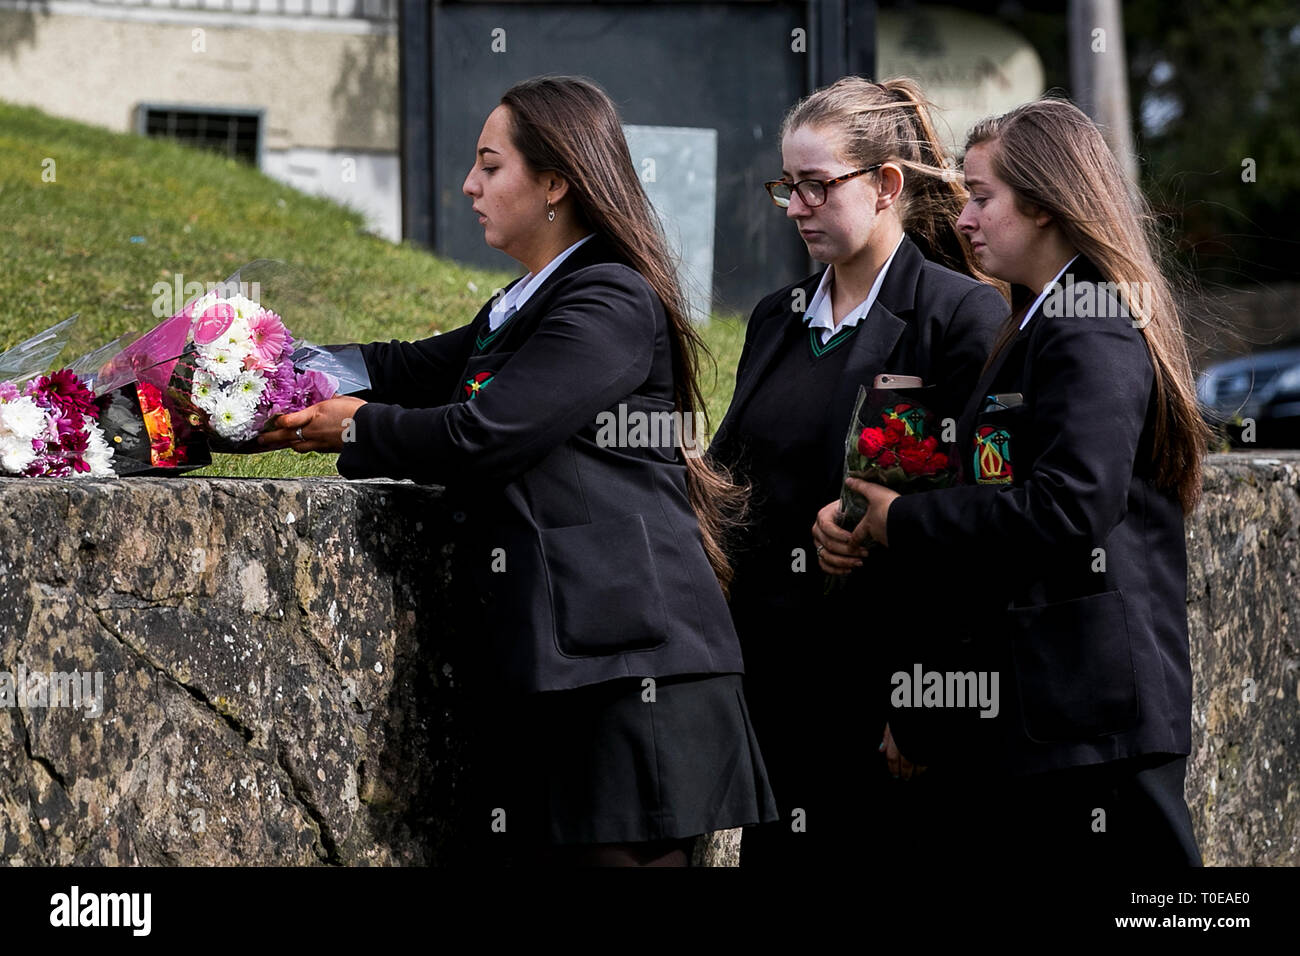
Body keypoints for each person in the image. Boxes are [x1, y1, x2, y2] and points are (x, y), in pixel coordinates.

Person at [259, 74, 777, 866]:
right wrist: (256, 370)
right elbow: (401, 367)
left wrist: (353, 428)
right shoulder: (525, 302)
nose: (469, 185)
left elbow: (486, 434)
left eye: (489, 165)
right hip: (580, 659)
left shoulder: (608, 299)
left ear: (555, 183)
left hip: (638, 672)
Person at [816, 97, 1210, 865]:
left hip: (1095, 726)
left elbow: (1068, 508)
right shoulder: (1037, 320)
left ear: (1045, 205)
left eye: (982, 197)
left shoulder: (1086, 320)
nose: (963, 218)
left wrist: (904, 523)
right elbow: (1002, 503)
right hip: (1052, 722)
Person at [705, 76, 1008, 867]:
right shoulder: (777, 317)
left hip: (879, 697)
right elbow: (738, 477)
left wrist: (923, 700)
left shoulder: (959, 317)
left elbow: (979, 526)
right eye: (787, 187)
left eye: (817, 185)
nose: (797, 205)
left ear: (886, 186)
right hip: (772, 690)